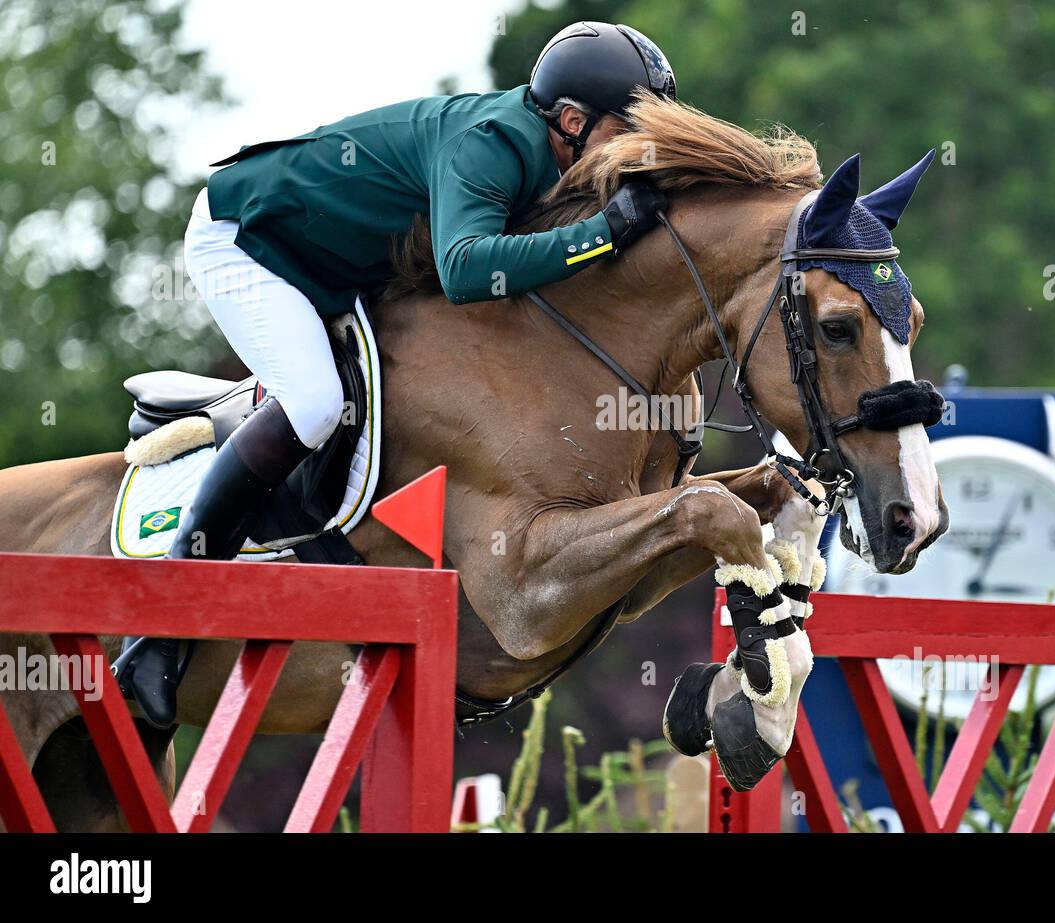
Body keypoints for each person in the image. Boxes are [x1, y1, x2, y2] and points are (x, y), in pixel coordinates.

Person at [118, 22, 676, 728]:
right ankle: (155, 633)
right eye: (631, 132)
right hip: (249, 242)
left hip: (339, 260)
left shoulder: (555, 150)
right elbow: (469, 268)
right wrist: (602, 234)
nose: (640, 155)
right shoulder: (494, 145)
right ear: (571, 121)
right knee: (317, 403)